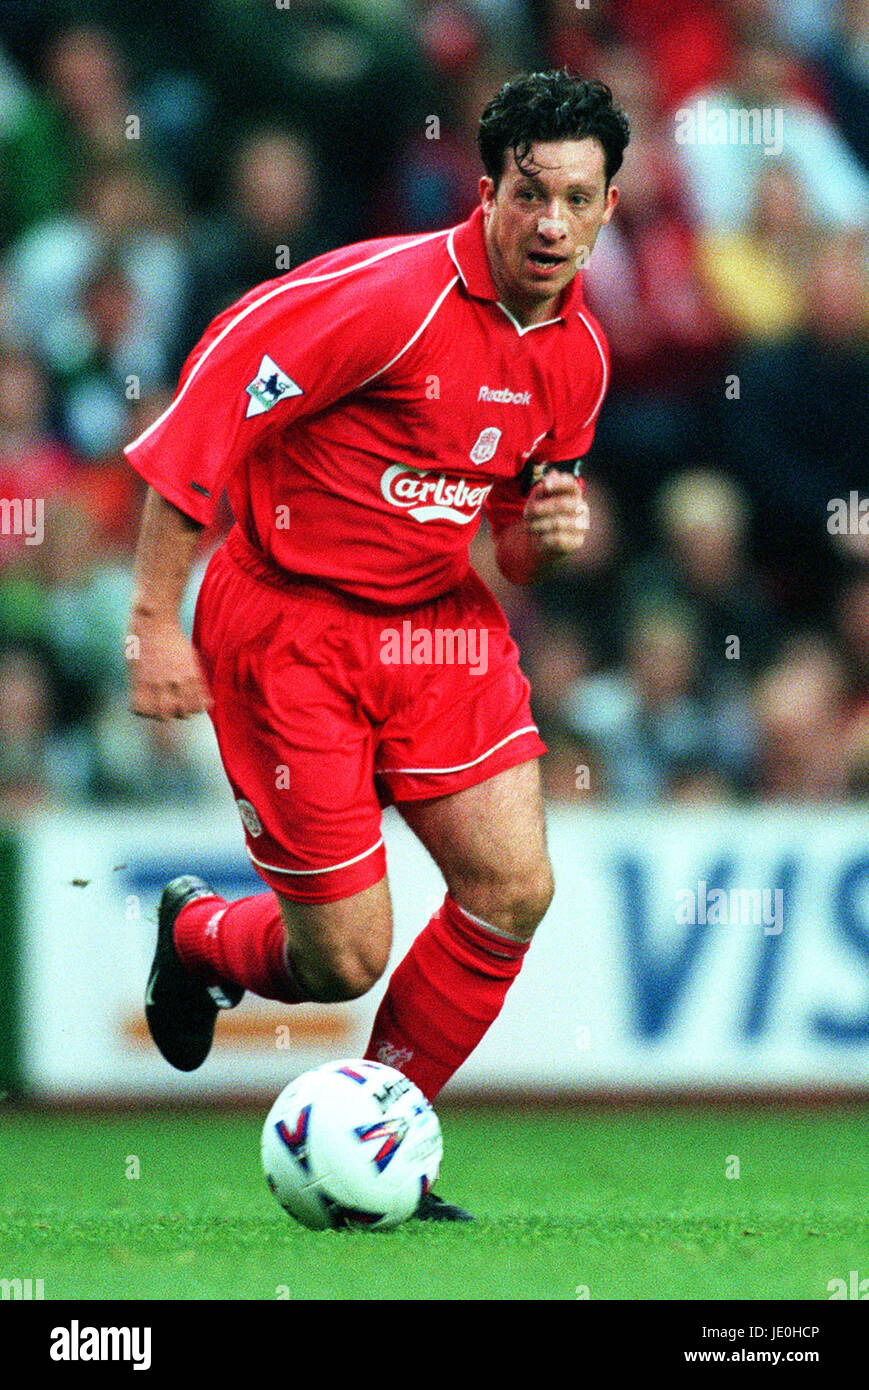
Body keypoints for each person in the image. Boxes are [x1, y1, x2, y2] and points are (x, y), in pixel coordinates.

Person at [125, 71, 629, 1220]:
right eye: (528, 193)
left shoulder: (581, 356)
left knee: (511, 887)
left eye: (577, 199)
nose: (551, 224)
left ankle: (383, 1139)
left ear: (611, 204)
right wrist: (155, 618)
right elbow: (203, 412)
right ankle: (199, 935)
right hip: (288, 626)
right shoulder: (384, 296)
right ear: (488, 188)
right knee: (340, 960)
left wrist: (548, 537)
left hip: (437, 626)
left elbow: (511, 538)